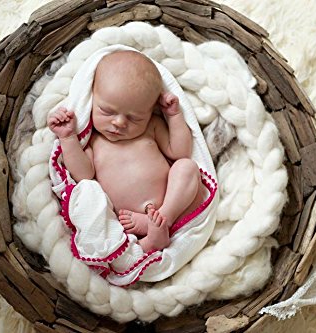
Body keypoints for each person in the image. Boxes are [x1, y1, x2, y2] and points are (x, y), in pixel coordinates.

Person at [47, 50, 206, 252]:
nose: (119, 122)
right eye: (108, 111)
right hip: (124, 220)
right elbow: (83, 175)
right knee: (97, 211)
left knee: (186, 167)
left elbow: (180, 151)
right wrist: (68, 137)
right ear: (92, 100)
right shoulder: (94, 141)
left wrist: (174, 116)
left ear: (149, 112)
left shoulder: (152, 127)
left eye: (134, 118)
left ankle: (163, 219)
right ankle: (148, 243)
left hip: (171, 204)